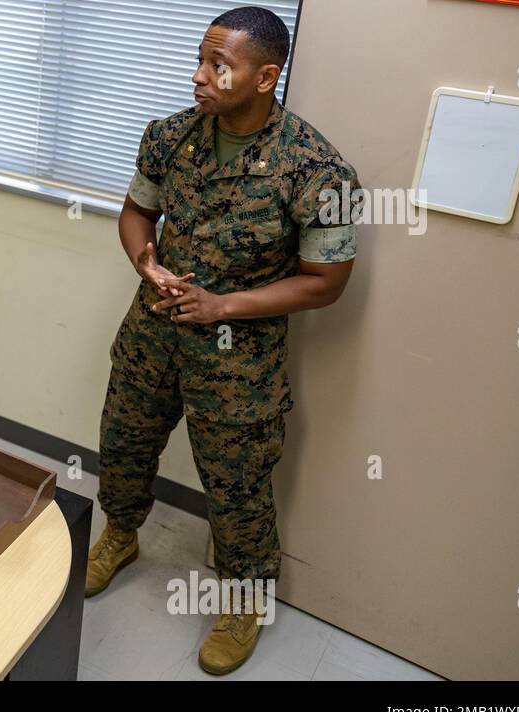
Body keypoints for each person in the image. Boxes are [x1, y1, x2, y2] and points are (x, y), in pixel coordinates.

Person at [89, 6, 360, 675]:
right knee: (123, 443)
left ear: (267, 76)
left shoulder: (320, 171)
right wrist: (144, 263)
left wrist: (222, 306)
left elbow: (326, 282)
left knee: (237, 485)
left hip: (237, 359)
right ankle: (119, 534)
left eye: (219, 65)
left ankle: (244, 601)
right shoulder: (170, 135)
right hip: (154, 331)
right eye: (201, 60)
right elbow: (136, 212)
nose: (199, 76)